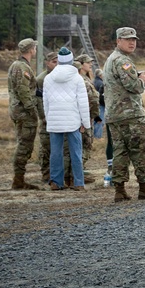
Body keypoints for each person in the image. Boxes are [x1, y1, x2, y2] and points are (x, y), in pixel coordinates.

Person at [103, 27, 145, 200]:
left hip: (114, 115)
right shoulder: (123, 61)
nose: (132, 42)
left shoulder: (111, 59)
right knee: (141, 150)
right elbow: (135, 87)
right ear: (118, 41)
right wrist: (142, 80)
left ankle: (120, 190)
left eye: (134, 39)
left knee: (120, 152)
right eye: (127, 39)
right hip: (130, 114)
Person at [43, 48, 91, 191]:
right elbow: (83, 103)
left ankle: (56, 182)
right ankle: (78, 182)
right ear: (71, 60)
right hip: (73, 121)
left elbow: (46, 102)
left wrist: (49, 118)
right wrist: (85, 123)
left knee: (55, 152)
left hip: (54, 120)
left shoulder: (48, 78)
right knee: (76, 152)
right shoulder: (77, 78)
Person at [7, 38, 41, 190]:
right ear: (30, 50)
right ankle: (18, 180)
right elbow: (23, 90)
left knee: (25, 143)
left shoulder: (19, 65)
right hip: (24, 112)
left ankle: (19, 178)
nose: (35, 50)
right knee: (25, 145)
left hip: (19, 110)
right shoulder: (22, 67)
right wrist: (31, 109)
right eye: (34, 47)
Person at [68, 55, 100, 184]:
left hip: (84, 116)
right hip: (84, 117)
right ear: (81, 64)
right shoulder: (81, 80)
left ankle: (78, 172)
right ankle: (76, 174)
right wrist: (93, 115)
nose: (90, 64)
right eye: (88, 62)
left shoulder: (85, 78)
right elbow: (92, 100)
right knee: (85, 145)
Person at [35, 51, 58, 183]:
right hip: (46, 119)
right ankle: (46, 173)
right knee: (46, 147)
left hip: (58, 118)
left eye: (58, 62)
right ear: (47, 63)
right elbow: (39, 101)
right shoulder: (41, 79)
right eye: (54, 62)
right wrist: (44, 118)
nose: (57, 65)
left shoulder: (61, 76)